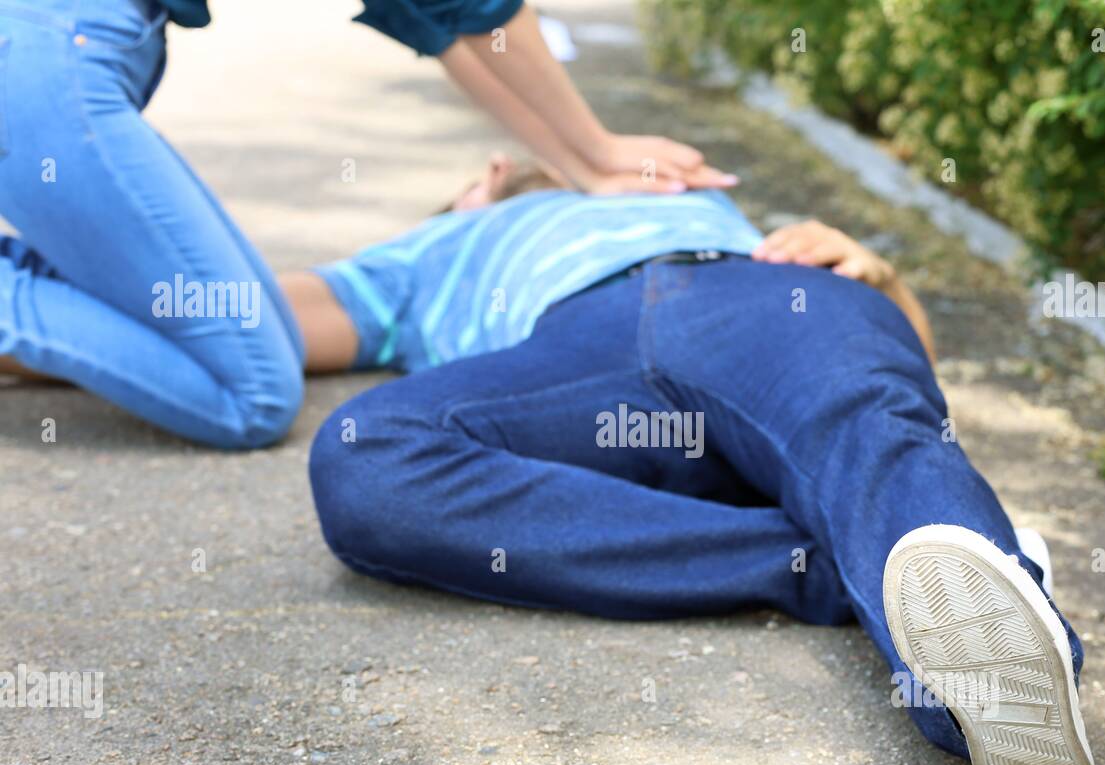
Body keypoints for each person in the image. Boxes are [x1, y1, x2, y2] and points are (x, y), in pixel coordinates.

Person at [298, 156, 1096, 765]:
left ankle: (988, 698)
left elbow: (915, 370)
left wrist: (880, 278)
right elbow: (254, 325)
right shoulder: (425, 253)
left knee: (872, 423)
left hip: (753, 299)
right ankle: (868, 568)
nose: (500, 160)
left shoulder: (668, 180)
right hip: (574, 357)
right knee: (366, 456)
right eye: (477, 176)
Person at [0, 0, 731, 447]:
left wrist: (583, 160)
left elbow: (445, 20)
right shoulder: (426, 268)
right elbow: (469, 8)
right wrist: (592, 155)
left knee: (262, 348)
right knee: (254, 396)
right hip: (49, 55)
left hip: (57, 51)